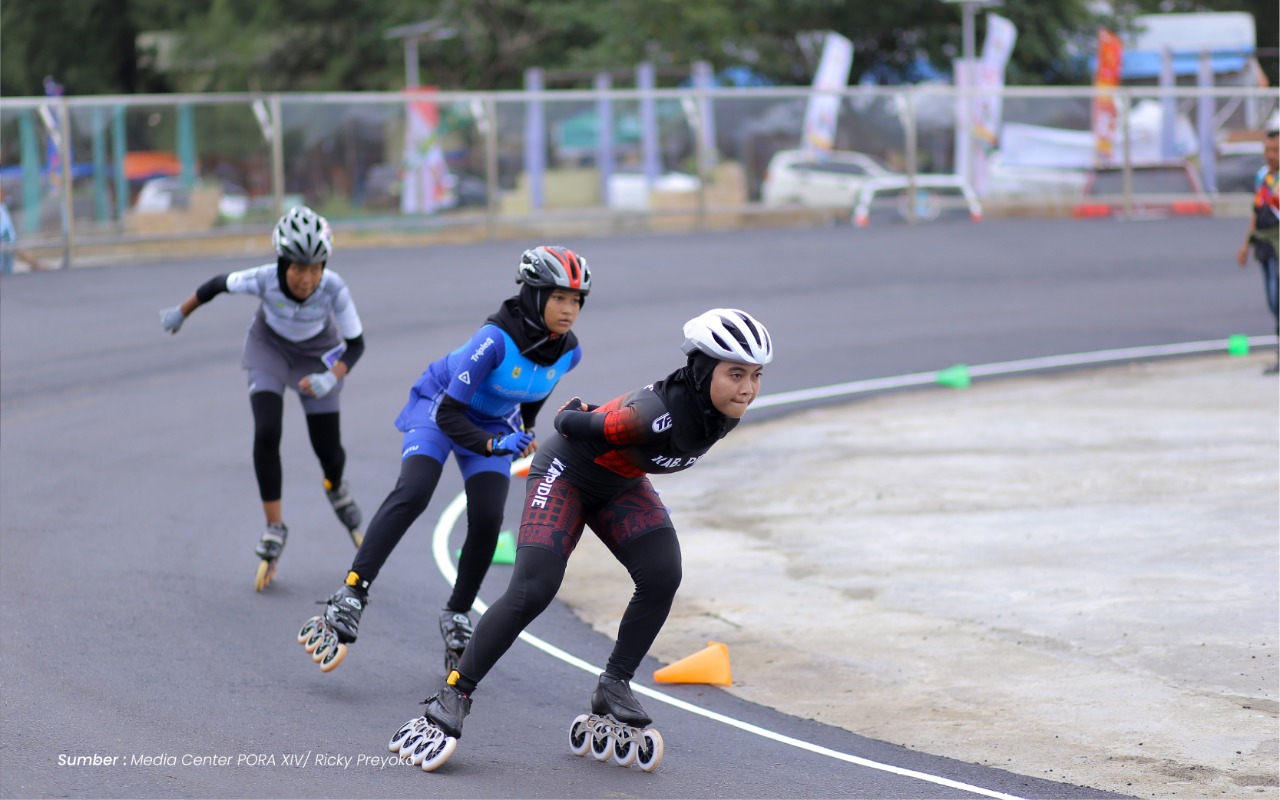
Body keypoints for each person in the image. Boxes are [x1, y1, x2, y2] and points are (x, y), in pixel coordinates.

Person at [397, 307, 774, 770]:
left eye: (755, 375)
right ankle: (453, 695)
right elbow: (568, 422)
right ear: (700, 370)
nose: (747, 388)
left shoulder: (723, 412)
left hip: (619, 483)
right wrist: (574, 412)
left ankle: (614, 683)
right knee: (534, 589)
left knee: (662, 574)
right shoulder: (650, 416)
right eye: (735, 374)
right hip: (567, 474)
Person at [312, 245, 590, 669]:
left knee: (488, 517)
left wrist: (526, 427)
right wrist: (494, 445)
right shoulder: (494, 340)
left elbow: (537, 389)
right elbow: (448, 414)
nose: (569, 309)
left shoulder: (569, 353)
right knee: (415, 490)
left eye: (576, 300)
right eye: (558, 297)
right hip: (440, 406)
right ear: (534, 295)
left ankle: (457, 613)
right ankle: (352, 590)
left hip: (495, 422)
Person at [159, 206, 366, 584]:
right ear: (282, 263)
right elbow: (216, 285)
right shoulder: (263, 278)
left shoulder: (334, 287)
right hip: (269, 348)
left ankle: (335, 486)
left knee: (329, 450)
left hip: (317, 357)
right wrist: (181, 311)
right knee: (267, 431)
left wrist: (331, 377)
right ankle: (274, 527)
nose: (307, 279)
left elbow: (356, 344)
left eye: (315, 268)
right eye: (298, 268)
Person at [1236, 128, 1279, 374]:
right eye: (1267, 150)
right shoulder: (1263, 177)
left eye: (1276, 150)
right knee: (1273, 301)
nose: (1270, 155)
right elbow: (1256, 211)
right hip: (1264, 244)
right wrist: (1246, 243)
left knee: (1278, 298)